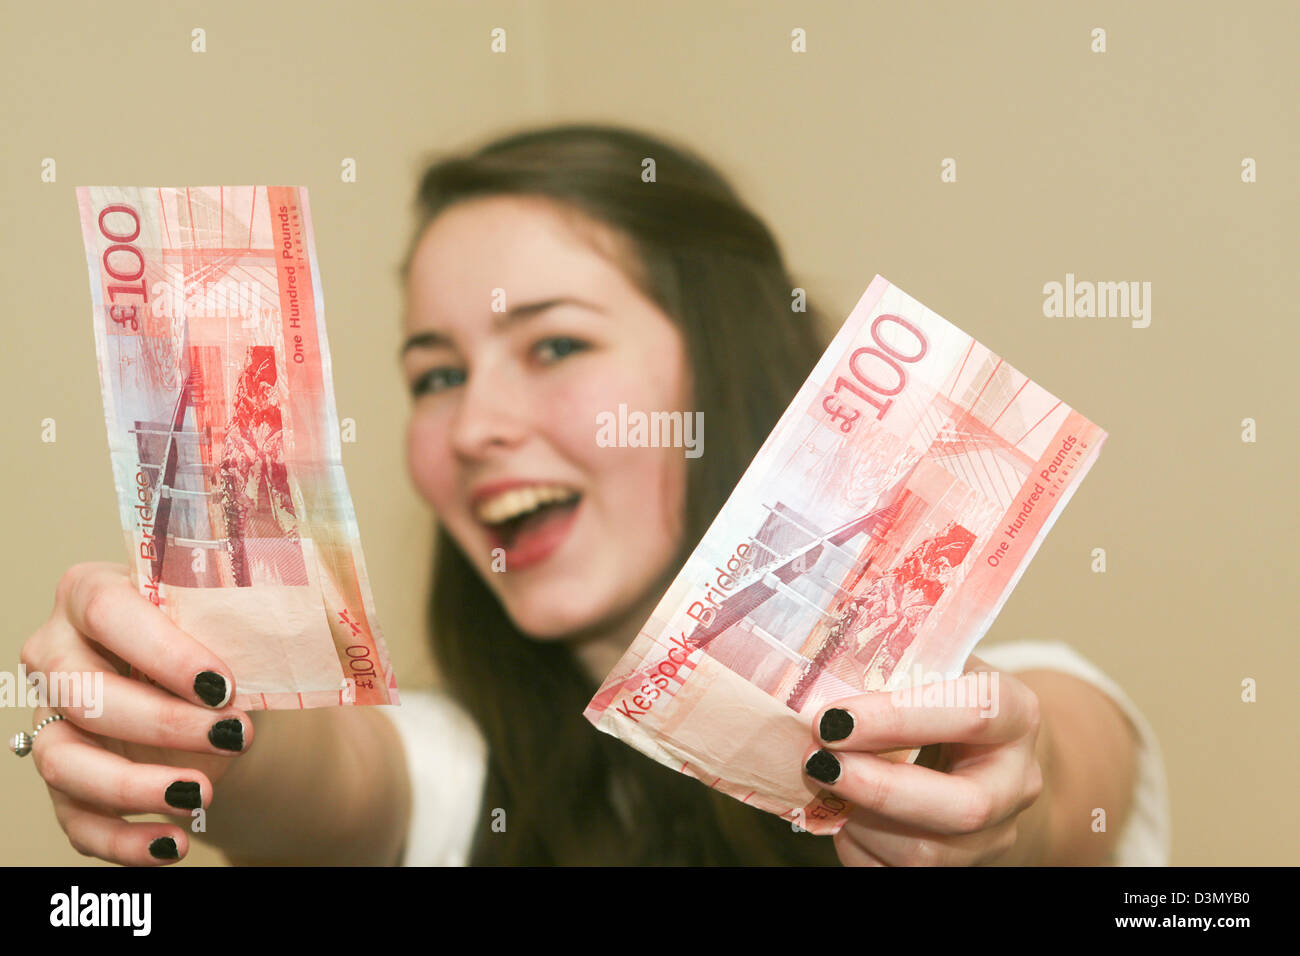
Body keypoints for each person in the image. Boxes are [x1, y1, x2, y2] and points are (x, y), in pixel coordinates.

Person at [18, 124, 1169, 866]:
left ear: (720, 367)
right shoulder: (459, 769)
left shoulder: (1046, 697)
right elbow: (327, 779)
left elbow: (1052, 775)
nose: (474, 426)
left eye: (556, 345)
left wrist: (986, 806)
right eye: (435, 374)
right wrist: (205, 721)